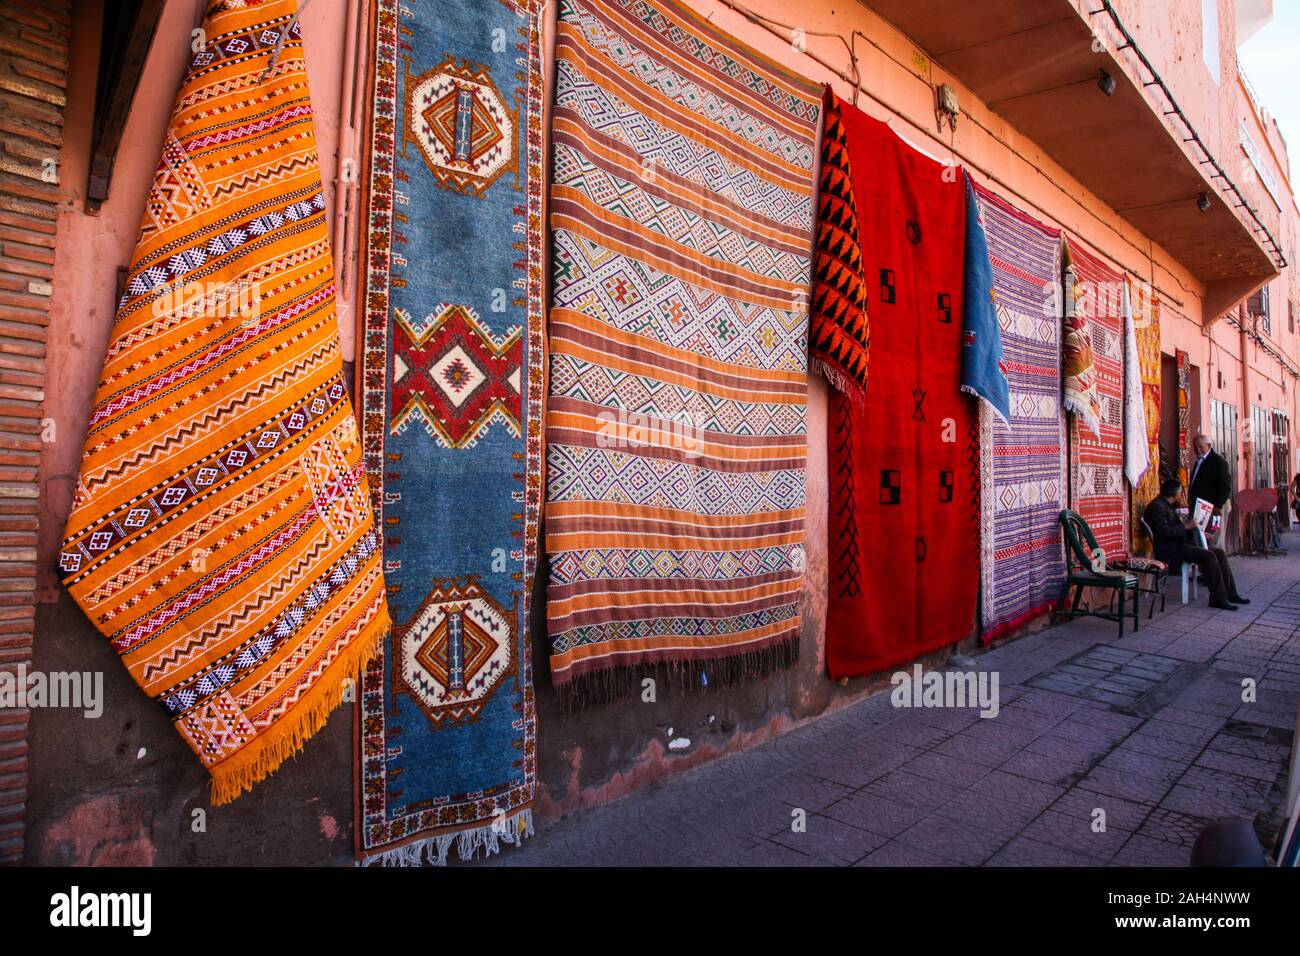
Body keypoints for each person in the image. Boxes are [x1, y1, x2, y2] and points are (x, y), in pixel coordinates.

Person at [1146, 478, 1250, 611]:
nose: (1180, 495)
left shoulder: (1168, 505)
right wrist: (1186, 526)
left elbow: (1176, 529)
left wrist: (1196, 534)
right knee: (1209, 556)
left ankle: (1231, 594)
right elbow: (1165, 532)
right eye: (1180, 492)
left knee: (1219, 553)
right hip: (1171, 550)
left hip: (1179, 544)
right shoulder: (1157, 507)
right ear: (1175, 494)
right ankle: (1217, 598)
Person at [1187, 434, 1232, 548]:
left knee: (1216, 534)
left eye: (1201, 446)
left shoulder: (1218, 462)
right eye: (1195, 447)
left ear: (1209, 446)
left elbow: (1225, 486)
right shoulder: (1200, 461)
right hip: (1203, 505)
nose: (1197, 449)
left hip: (1217, 506)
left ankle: (1218, 561)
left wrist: (1218, 506)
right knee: (1202, 534)